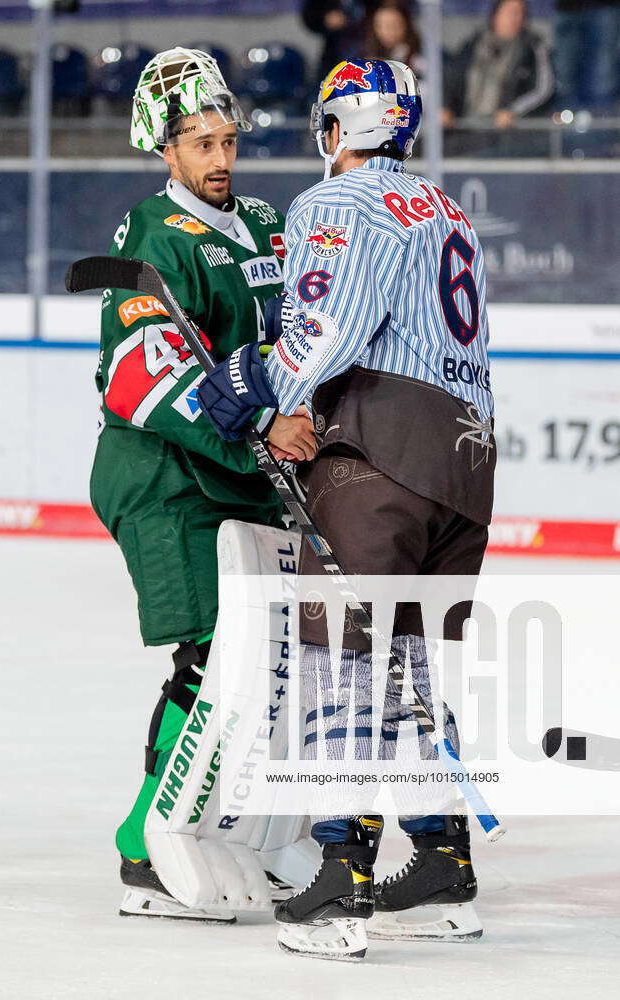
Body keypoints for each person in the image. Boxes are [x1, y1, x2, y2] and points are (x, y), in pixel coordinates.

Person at [198, 57, 496, 961]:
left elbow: (326, 325)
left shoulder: (335, 204)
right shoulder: (447, 211)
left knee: (345, 664)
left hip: (381, 451)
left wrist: (257, 381)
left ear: (341, 129)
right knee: (405, 662)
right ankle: (442, 862)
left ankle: (341, 880)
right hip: (467, 460)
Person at [90, 46, 316, 922]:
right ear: (164, 147)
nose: (219, 159)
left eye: (228, 139)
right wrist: (255, 421)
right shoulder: (152, 231)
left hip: (241, 469)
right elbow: (137, 373)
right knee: (213, 656)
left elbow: (300, 327)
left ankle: (246, 827)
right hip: (166, 476)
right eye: (198, 143)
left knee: (275, 658)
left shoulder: (262, 220)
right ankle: (147, 838)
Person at [443, 0, 553, 129]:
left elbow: (543, 90)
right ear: (495, 14)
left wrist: (513, 111)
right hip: (465, 126)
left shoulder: (533, 47)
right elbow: (451, 79)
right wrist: (445, 107)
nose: (514, 18)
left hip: (507, 131)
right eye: (509, 12)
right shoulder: (473, 44)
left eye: (520, 13)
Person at [555, 0, 620, 112]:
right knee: (564, 81)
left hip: (604, 8)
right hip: (566, 9)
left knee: (601, 82)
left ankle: (601, 127)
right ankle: (565, 128)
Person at [364, 0, 424, 77]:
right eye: (380, 25)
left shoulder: (419, 57)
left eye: (393, 25)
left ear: (406, 25)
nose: (386, 31)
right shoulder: (368, 53)